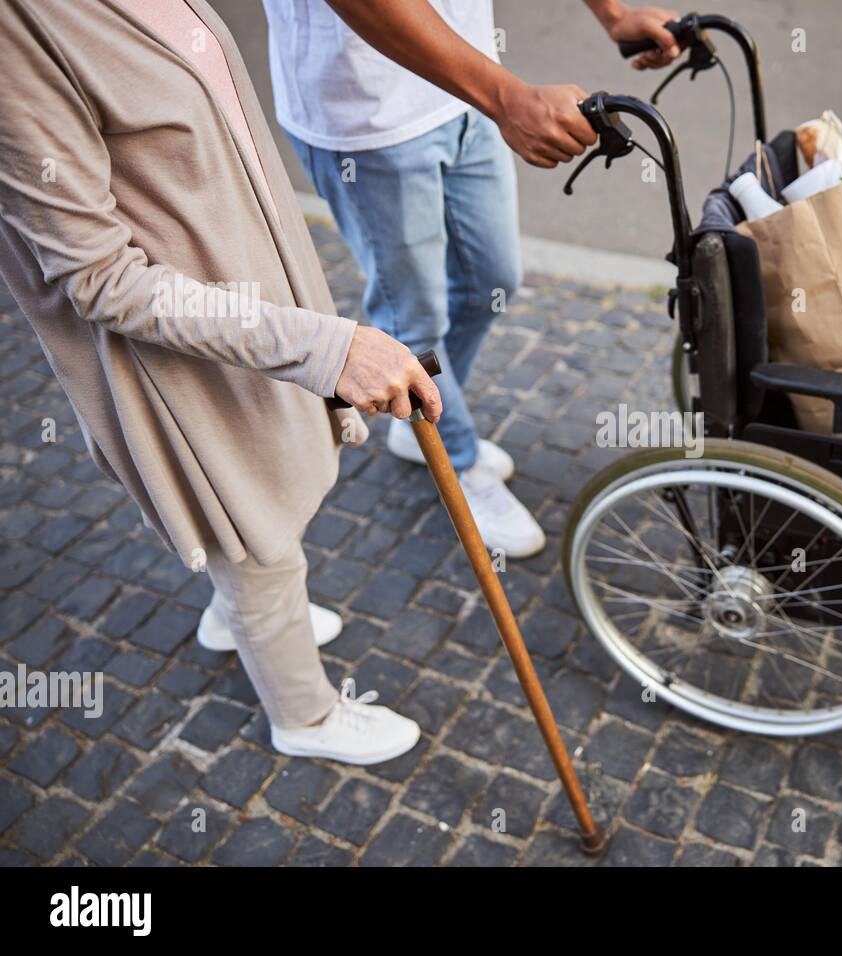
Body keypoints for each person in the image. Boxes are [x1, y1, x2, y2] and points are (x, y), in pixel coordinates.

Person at [0, 0, 448, 765]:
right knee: (252, 533)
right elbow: (98, 279)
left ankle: (238, 614)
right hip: (176, 350)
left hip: (246, 309)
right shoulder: (18, 35)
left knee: (267, 495)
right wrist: (322, 345)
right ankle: (303, 717)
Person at [264, 0, 683, 559]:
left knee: (493, 281)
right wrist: (506, 98)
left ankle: (416, 413)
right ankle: (452, 457)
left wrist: (611, 13)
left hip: (465, 88)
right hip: (368, 118)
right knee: (414, 319)